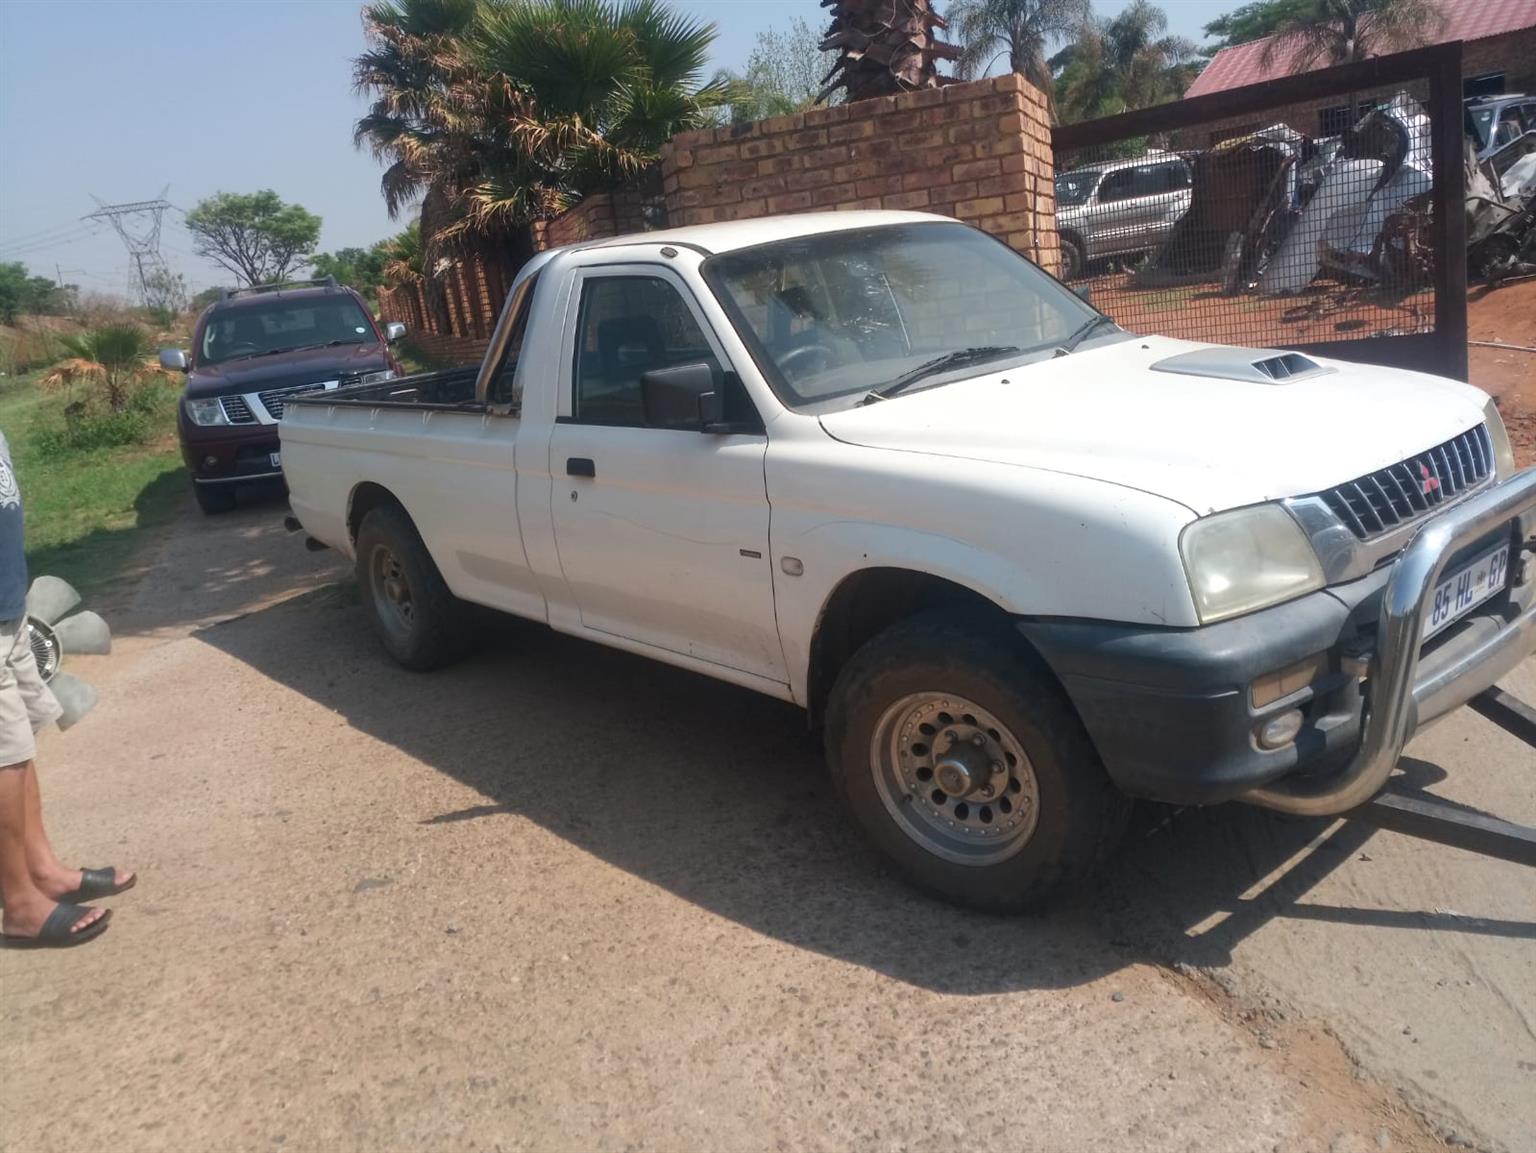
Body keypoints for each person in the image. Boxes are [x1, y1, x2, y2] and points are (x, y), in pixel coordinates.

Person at [0, 428, 134, 947]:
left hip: (7, 605)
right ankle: (18, 903)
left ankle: (42, 871)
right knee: (3, 753)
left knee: (21, 740)